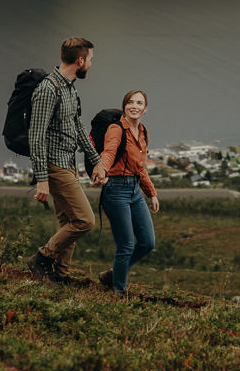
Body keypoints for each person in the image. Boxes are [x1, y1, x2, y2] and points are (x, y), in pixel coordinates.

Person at [25, 37, 102, 282]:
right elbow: (35, 137)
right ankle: (42, 258)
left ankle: (60, 275)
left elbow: (78, 126)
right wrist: (42, 179)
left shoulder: (69, 87)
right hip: (53, 166)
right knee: (84, 220)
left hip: (68, 163)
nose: (91, 63)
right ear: (80, 60)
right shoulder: (48, 90)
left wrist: (95, 160)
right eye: (90, 59)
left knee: (68, 221)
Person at [91, 88, 159, 293]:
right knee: (127, 245)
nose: (134, 106)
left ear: (145, 109)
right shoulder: (116, 129)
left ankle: (114, 273)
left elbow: (140, 167)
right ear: (124, 106)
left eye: (139, 103)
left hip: (135, 190)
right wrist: (101, 169)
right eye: (130, 102)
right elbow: (109, 152)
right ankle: (118, 292)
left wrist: (152, 193)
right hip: (115, 190)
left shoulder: (143, 132)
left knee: (147, 242)